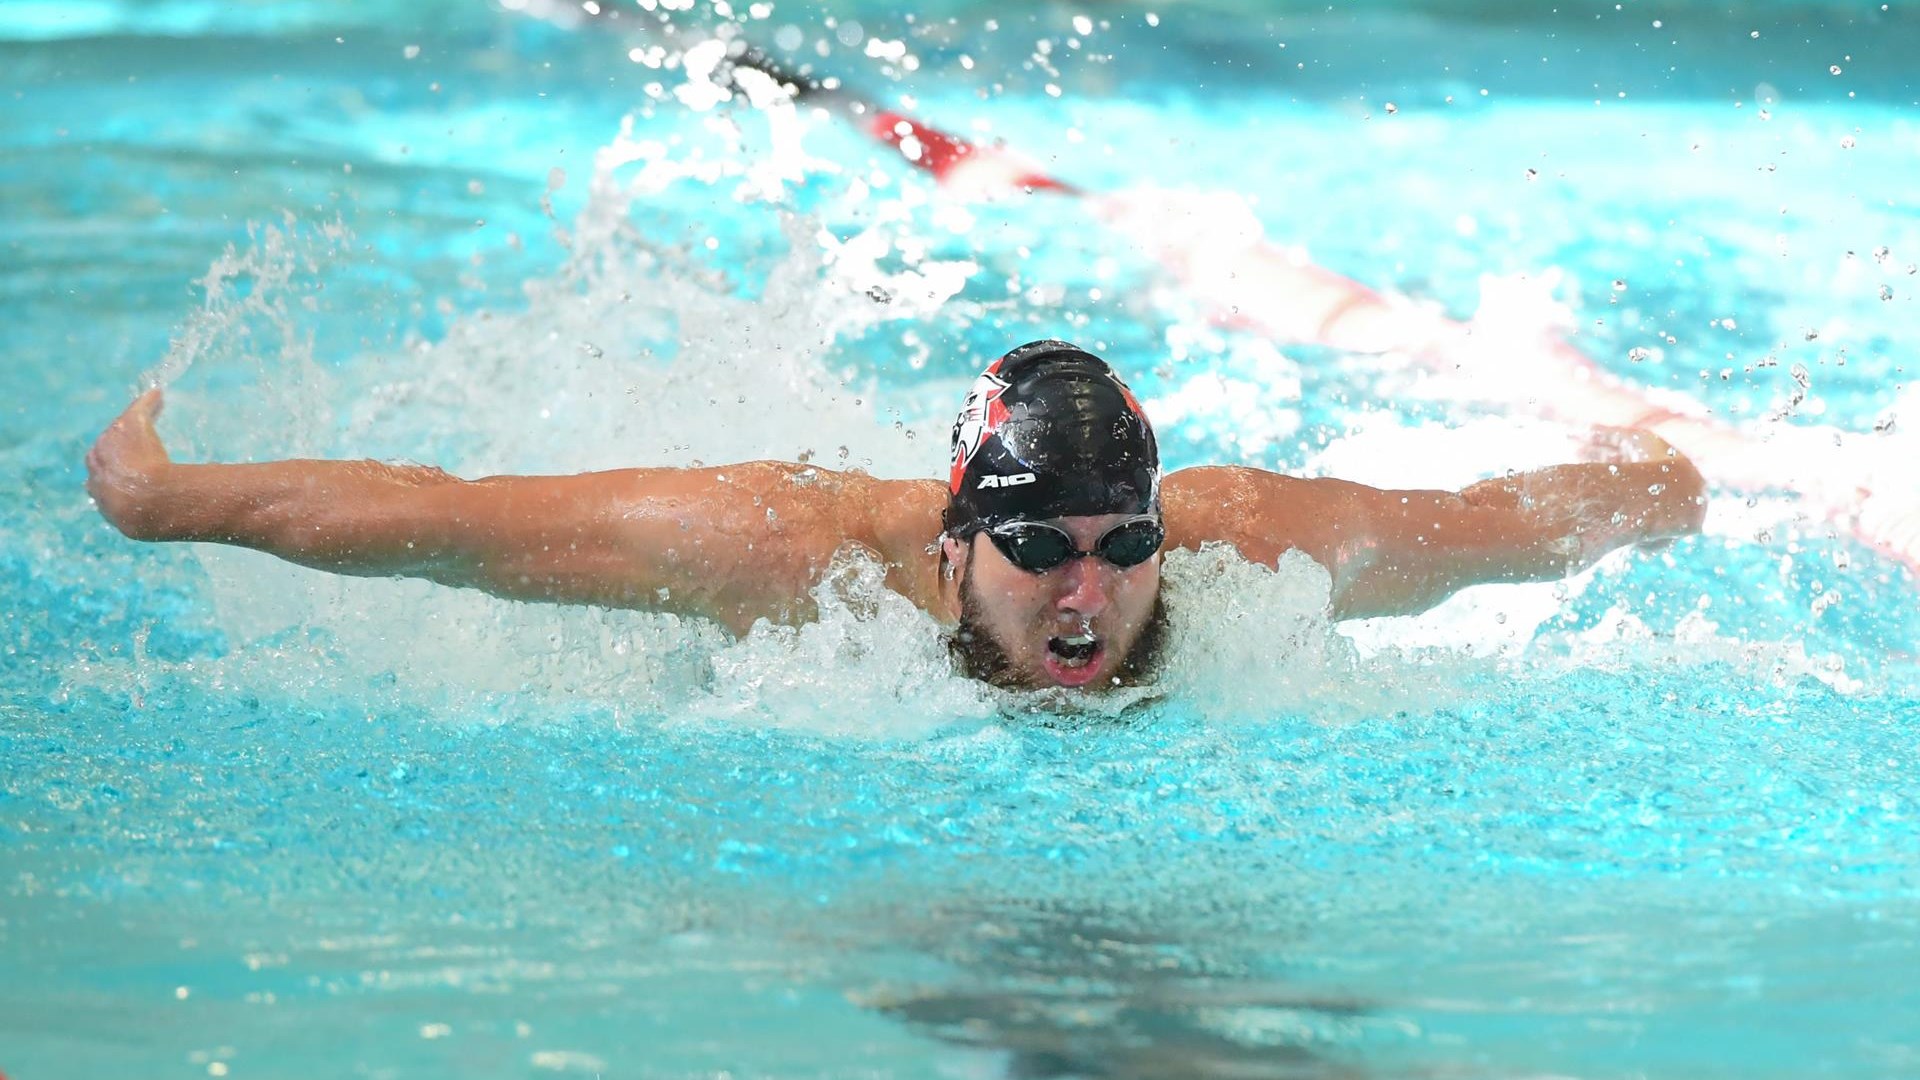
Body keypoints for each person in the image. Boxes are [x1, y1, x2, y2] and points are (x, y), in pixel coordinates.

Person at [86, 340, 1706, 690]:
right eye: (1042, 548)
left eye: (1124, 547)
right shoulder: (781, 562)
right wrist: (168, 504)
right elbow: (440, 518)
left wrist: (1681, 474)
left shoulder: (1249, 547)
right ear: (952, 547)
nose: (1093, 593)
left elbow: (1517, 520)